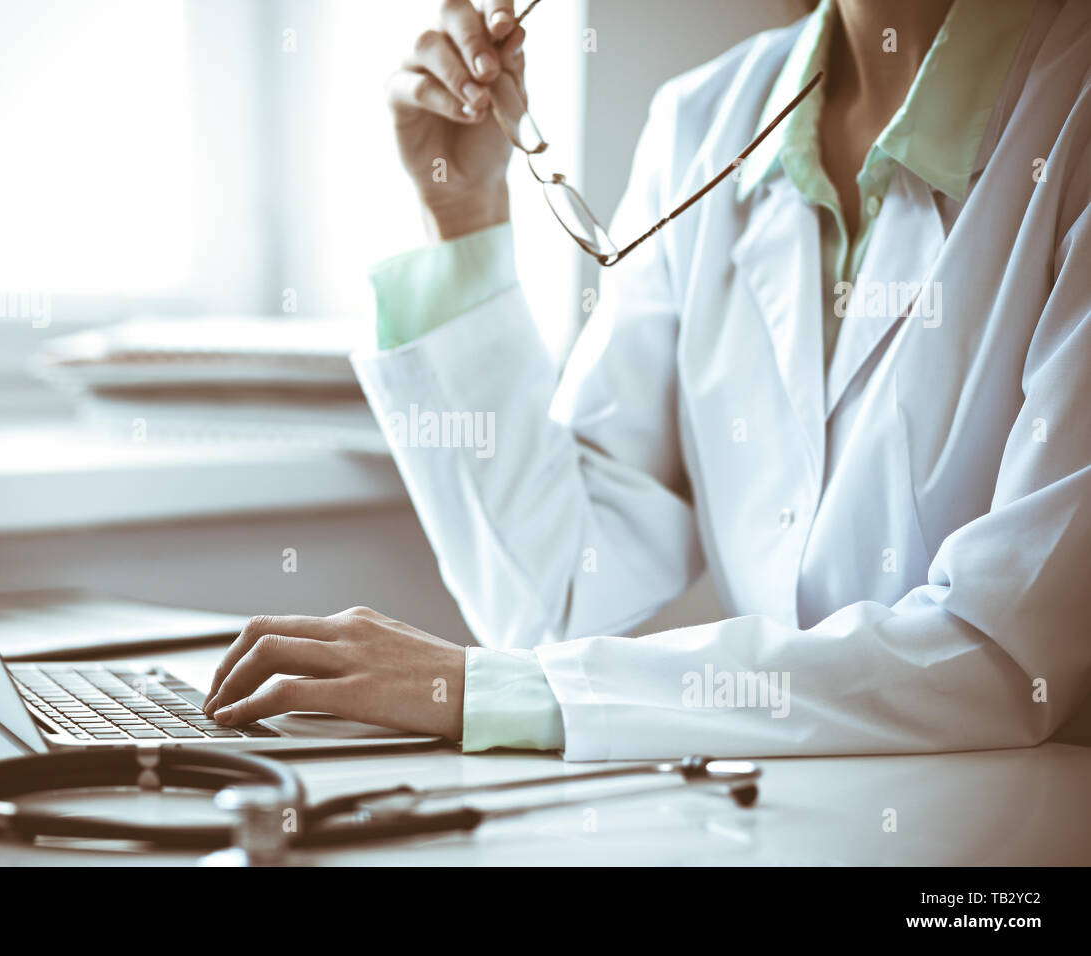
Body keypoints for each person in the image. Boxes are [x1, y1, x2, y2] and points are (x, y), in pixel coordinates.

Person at [206, 0, 1091, 760]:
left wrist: (494, 691)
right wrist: (464, 214)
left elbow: (1005, 659)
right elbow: (558, 596)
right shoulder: (703, 124)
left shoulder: (1072, 113)